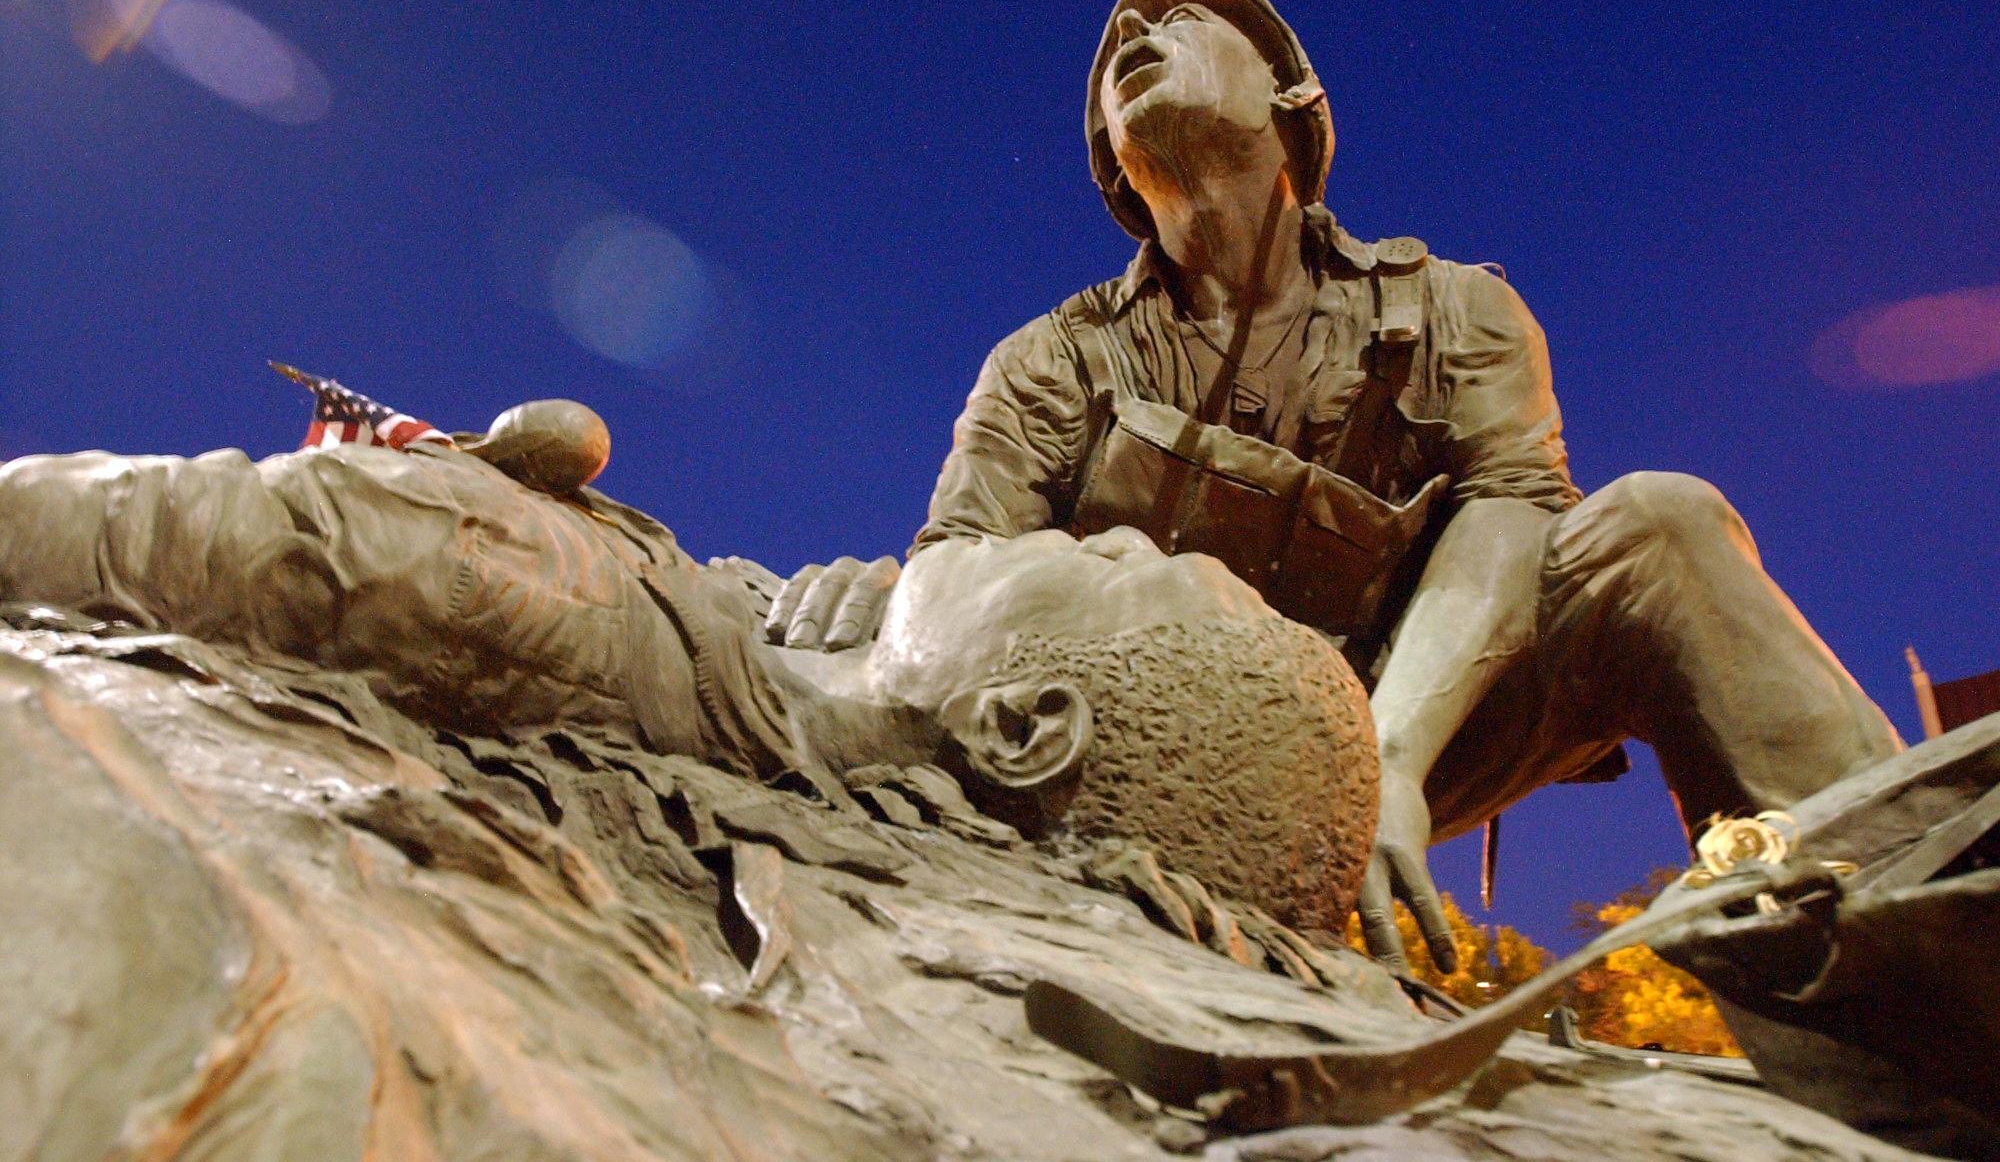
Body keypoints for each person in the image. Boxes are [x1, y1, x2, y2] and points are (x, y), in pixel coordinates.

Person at [769, 0, 1902, 972]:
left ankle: (1903, 914)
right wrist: (885, 598)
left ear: (1289, 105)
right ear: (1116, 162)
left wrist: (1389, 758)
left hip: (1424, 718)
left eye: (1187, 22)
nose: (1133, 33)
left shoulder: (1454, 308)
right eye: (1118, 44)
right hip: (1145, 744)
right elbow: (961, 560)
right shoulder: (1048, 360)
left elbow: (1516, 502)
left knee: (1659, 526)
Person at [0, 407, 1379, 921]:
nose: (1112, 532)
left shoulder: (504, 584)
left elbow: (84, 531)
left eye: (1127, 571)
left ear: (1023, 727)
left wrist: (459, 502)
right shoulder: (758, 657)